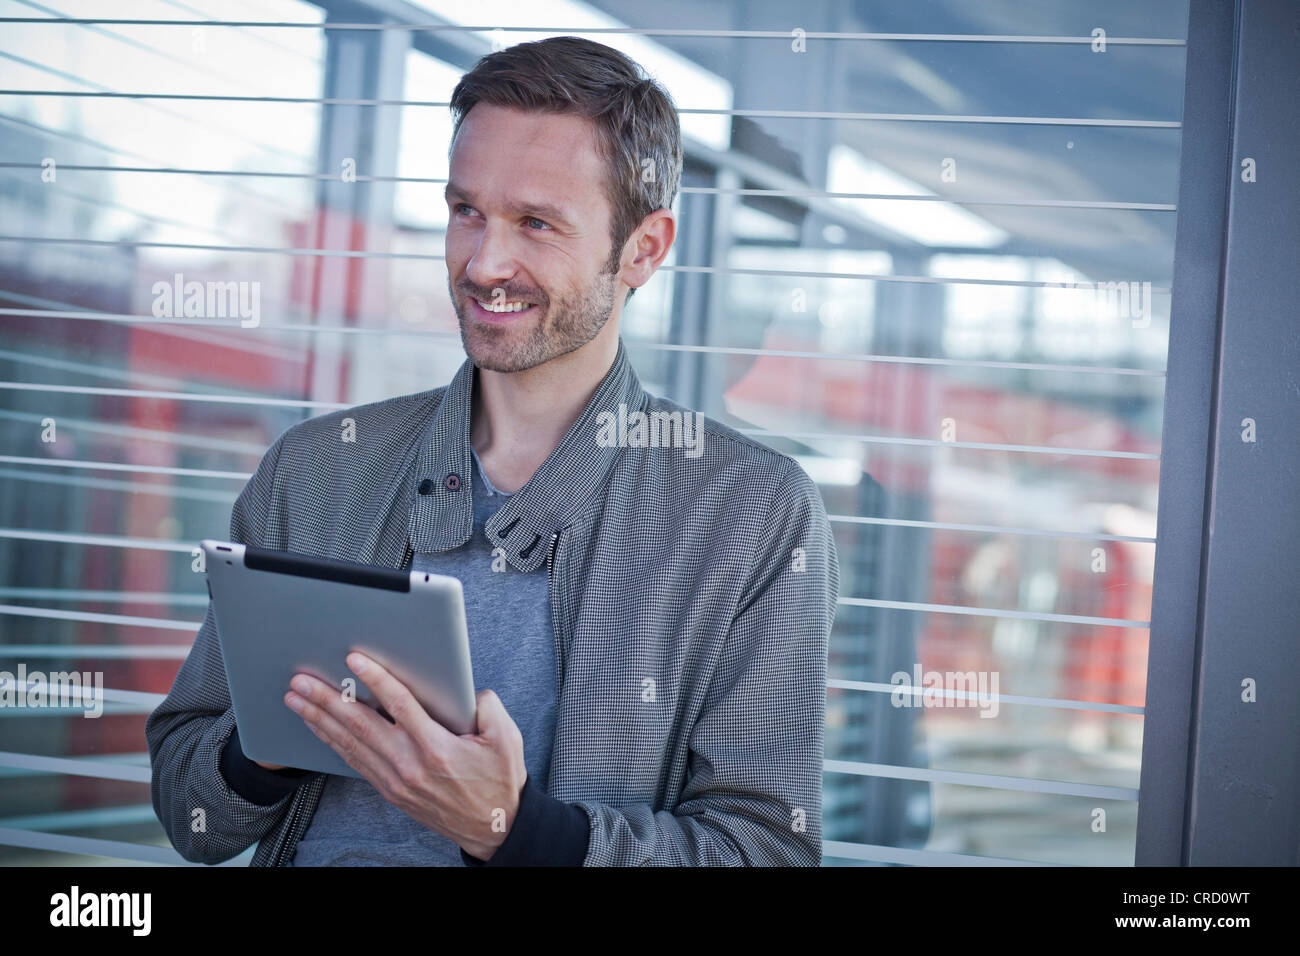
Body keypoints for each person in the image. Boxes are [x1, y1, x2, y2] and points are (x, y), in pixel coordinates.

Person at [146, 35, 839, 866]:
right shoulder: (317, 469)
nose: (484, 262)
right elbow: (192, 815)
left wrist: (513, 831)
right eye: (465, 210)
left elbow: (765, 851)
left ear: (644, 249)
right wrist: (270, 738)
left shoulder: (756, 515)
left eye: (536, 223)